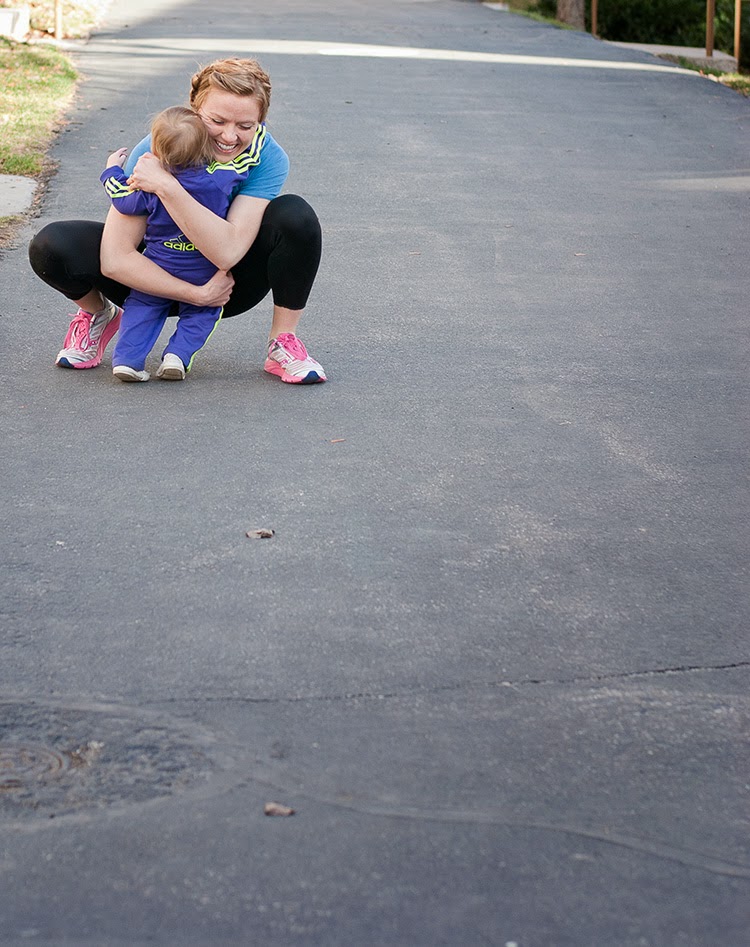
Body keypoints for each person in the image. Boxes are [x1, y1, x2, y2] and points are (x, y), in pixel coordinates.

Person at [28, 57, 326, 384]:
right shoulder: (157, 147)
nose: (229, 136)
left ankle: (282, 341)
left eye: (245, 126)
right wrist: (196, 294)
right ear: (195, 110)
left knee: (295, 216)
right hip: (150, 279)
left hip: (224, 286)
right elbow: (115, 259)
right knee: (52, 245)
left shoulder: (267, 157)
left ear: (260, 121)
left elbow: (227, 253)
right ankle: (99, 314)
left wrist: (167, 186)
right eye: (217, 120)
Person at [102, 105, 247, 382]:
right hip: (203, 270)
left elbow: (120, 197)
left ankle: (127, 361)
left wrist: (112, 169)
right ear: (206, 147)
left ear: (155, 151)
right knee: (204, 312)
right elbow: (244, 165)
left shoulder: (148, 189)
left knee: (141, 308)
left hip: (159, 266)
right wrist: (256, 136)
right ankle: (177, 356)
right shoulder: (220, 181)